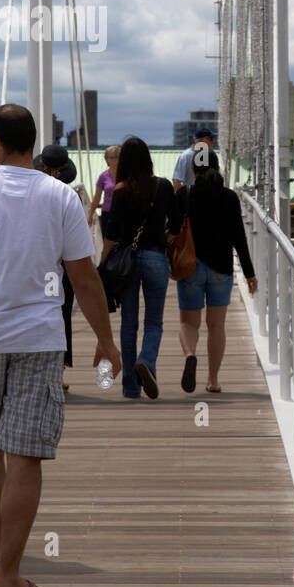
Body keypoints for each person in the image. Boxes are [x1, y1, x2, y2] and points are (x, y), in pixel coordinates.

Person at [0, 103, 121, 587]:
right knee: (25, 456)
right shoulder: (60, 196)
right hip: (39, 339)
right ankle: (10, 578)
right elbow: (84, 277)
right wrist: (106, 340)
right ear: (33, 143)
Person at [101, 136, 180, 401]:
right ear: (148, 159)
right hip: (156, 257)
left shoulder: (120, 191)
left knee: (128, 323)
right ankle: (146, 361)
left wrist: (103, 262)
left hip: (127, 261)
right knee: (154, 321)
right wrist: (166, 236)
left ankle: (130, 388)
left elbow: (111, 232)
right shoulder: (163, 186)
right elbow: (178, 219)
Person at [174, 150, 258, 394]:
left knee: (188, 323)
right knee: (216, 325)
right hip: (221, 268)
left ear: (193, 169)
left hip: (190, 266)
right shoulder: (230, 197)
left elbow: (172, 229)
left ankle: (190, 354)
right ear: (217, 166)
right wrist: (250, 273)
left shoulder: (185, 194)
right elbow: (239, 237)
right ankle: (213, 380)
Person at [34, 144, 79, 390]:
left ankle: (36, 370)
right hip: (60, 268)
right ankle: (57, 372)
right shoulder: (66, 197)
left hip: (32, 266)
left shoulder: (30, 196)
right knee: (61, 318)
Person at [87, 145, 120, 240]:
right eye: (112, 157)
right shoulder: (103, 176)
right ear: (106, 159)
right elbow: (97, 197)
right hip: (107, 213)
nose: (115, 160)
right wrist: (90, 214)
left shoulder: (126, 175)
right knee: (107, 240)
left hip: (123, 212)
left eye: (117, 157)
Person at [172, 125, 216, 192]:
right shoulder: (186, 156)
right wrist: (185, 198)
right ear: (204, 140)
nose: (213, 143)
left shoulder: (211, 155)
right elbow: (176, 182)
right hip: (192, 199)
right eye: (212, 140)